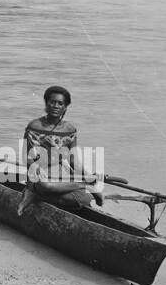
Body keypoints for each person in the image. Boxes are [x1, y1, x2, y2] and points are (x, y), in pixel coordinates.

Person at [17, 86, 103, 215]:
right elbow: (28, 158)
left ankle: (35, 195)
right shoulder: (34, 126)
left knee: (84, 199)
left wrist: (88, 175)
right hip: (40, 175)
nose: (55, 106)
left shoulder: (70, 129)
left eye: (60, 103)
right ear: (46, 103)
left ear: (65, 107)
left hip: (63, 175)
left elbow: (74, 160)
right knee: (47, 186)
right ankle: (84, 186)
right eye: (52, 102)